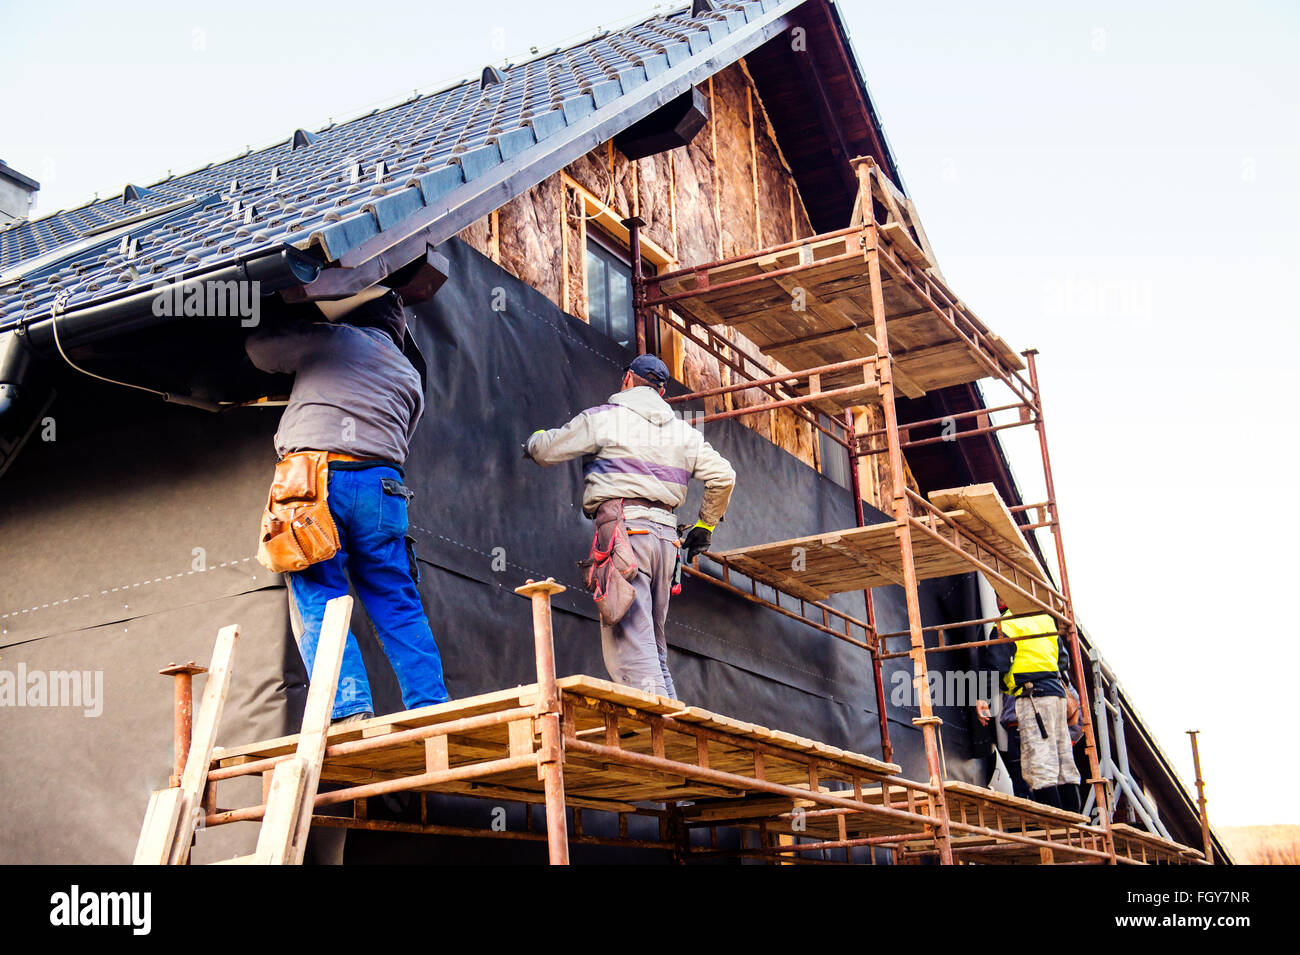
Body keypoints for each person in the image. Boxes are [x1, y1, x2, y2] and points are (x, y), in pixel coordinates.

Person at [245, 290, 449, 724]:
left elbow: (261, 350)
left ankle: (348, 709)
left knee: (318, 590)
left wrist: (283, 313)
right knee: (397, 601)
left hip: (317, 482)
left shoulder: (337, 338)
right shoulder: (410, 374)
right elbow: (403, 437)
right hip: (383, 487)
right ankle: (431, 708)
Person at [524, 354, 735, 698]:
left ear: (627, 380)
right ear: (662, 392)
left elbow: (547, 451)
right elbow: (724, 476)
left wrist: (532, 441)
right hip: (667, 542)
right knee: (652, 646)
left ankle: (663, 740)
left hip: (626, 536)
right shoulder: (684, 432)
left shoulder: (605, 419)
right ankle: (674, 729)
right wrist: (704, 526)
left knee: (633, 654)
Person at [976, 601, 1081, 811]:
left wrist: (982, 697)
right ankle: (1076, 824)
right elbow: (1063, 662)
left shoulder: (1006, 625)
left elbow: (996, 664)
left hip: (1033, 697)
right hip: (1056, 696)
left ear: (1002, 599)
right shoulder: (1045, 620)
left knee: (1039, 765)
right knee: (1063, 765)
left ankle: (1055, 827)